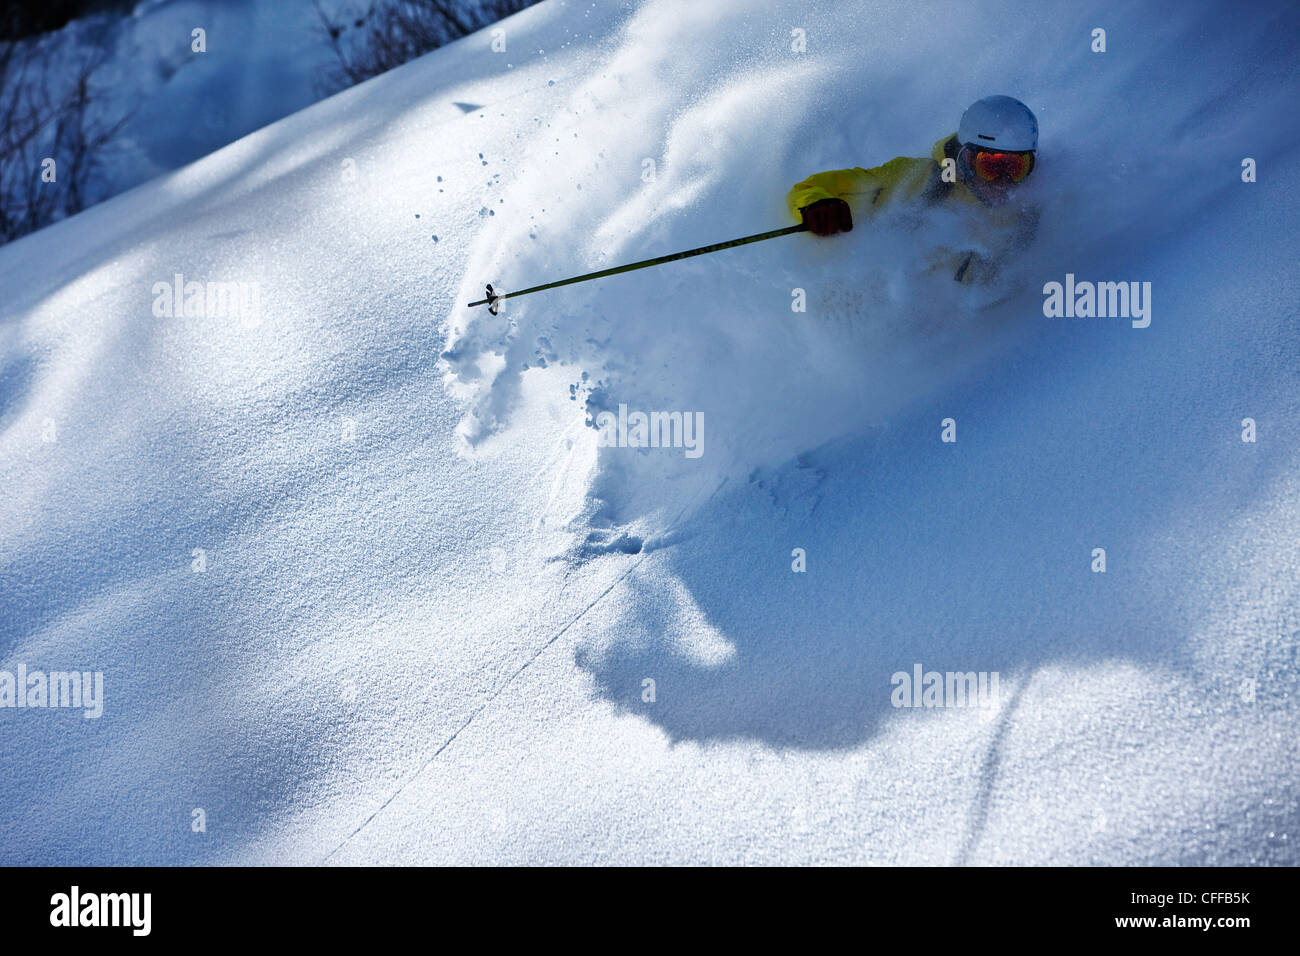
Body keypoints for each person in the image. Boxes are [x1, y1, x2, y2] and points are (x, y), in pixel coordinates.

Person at [787, 95, 1040, 283]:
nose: (1002, 182)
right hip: (872, 299)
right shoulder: (916, 179)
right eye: (990, 166)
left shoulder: (1035, 200)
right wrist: (815, 205)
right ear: (966, 157)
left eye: (1017, 168)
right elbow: (810, 187)